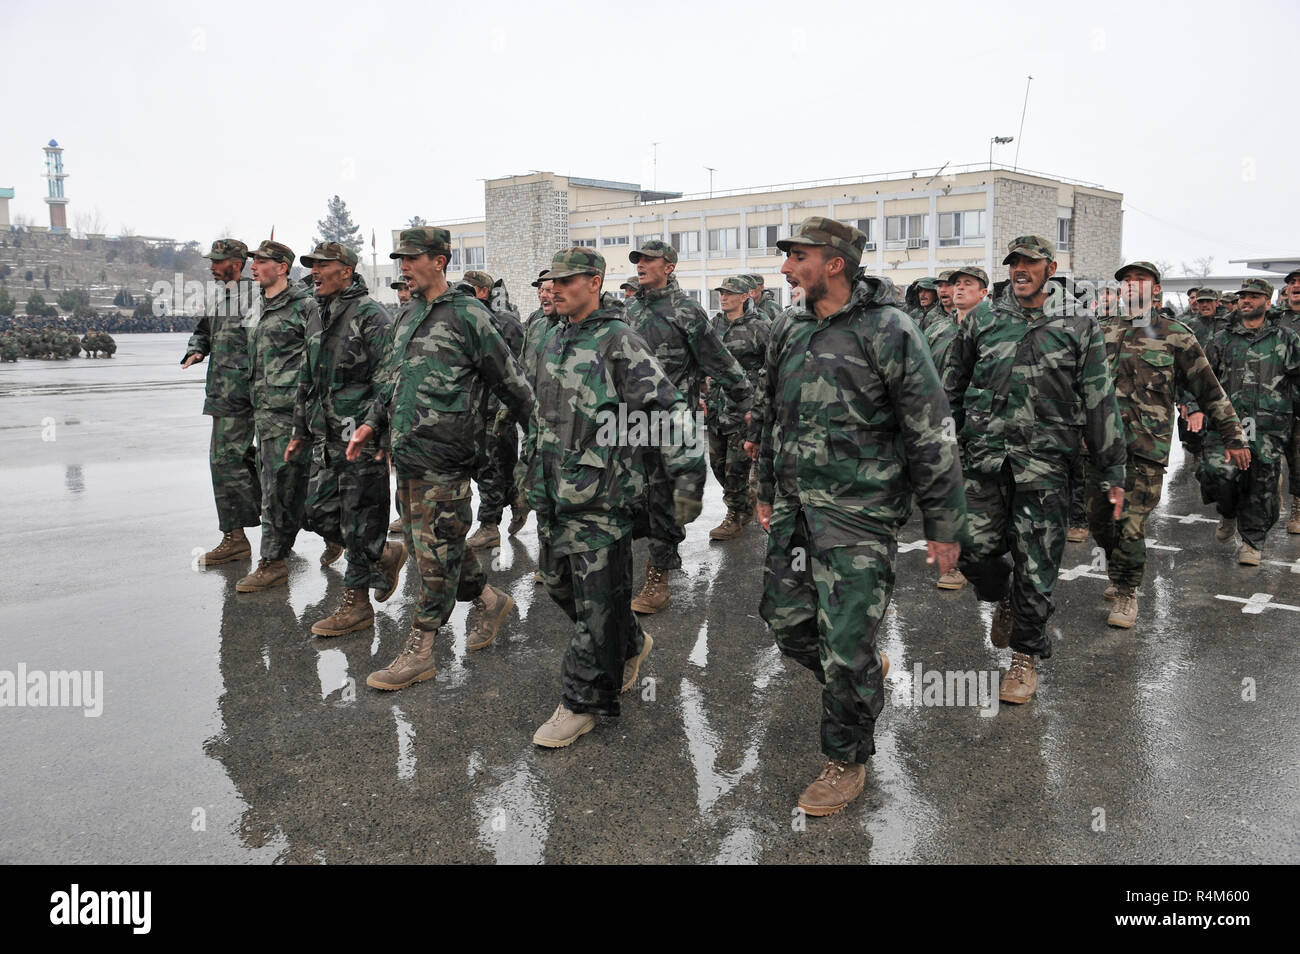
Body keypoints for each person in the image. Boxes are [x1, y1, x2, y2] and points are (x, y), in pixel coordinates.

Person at [750, 217, 965, 816]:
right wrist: (765, 487)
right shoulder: (788, 328)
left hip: (861, 515)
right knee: (787, 622)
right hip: (797, 509)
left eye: (798, 257)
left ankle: (846, 758)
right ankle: (865, 676)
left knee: (843, 646)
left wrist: (945, 526)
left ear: (836, 263)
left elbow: (931, 432)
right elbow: (772, 415)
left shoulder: (890, 329)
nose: (787, 267)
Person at [524, 248, 704, 747]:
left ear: (595, 282)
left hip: (601, 496)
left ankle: (580, 703)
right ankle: (628, 642)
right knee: (560, 586)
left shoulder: (618, 340)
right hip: (552, 491)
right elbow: (537, 414)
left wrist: (687, 482)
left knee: (595, 603)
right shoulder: (552, 337)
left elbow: (669, 411)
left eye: (566, 281)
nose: (554, 289)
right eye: (551, 281)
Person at [346, 228, 533, 690]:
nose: (403, 266)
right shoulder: (407, 314)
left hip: (448, 457)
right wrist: (371, 424)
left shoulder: (469, 314)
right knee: (439, 544)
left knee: (431, 554)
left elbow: (512, 383)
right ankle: (490, 600)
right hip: (408, 455)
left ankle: (422, 648)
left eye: (412, 258)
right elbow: (388, 382)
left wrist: (539, 447)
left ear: (440, 260)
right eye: (400, 259)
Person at [944, 236, 1126, 703]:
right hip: (983, 459)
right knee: (974, 553)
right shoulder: (983, 317)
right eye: (1014, 263)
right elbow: (952, 387)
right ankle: (1001, 595)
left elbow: (1100, 398)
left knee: (1038, 564)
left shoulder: (1078, 323)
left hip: (1045, 464)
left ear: (1052, 267)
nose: (1021, 269)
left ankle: (1024, 657)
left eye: (1030, 262)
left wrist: (1113, 470)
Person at [1092, 262, 1247, 627]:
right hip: (1098, 448)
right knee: (1101, 522)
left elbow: (1210, 389)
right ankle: (1120, 569)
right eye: (1126, 282)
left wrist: (1234, 435)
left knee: (1131, 524)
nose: (1131, 287)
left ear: (1156, 290)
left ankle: (1127, 591)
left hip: (1146, 447)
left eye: (1140, 281)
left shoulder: (1176, 335)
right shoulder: (1099, 332)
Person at [623, 240, 749, 613]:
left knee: (663, 496)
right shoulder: (628, 311)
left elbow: (720, 362)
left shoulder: (687, 311)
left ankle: (659, 573)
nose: (642, 265)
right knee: (630, 493)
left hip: (674, 419)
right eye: (638, 261)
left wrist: (747, 404)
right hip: (627, 419)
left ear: (670, 266)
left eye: (650, 260)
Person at [287, 241, 406, 636]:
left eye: (323, 265)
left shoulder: (370, 315)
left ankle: (356, 605)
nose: (314, 272)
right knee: (315, 511)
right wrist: (300, 430)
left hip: (362, 437)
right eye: (312, 266)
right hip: (326, 436)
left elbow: (390, 379)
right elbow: (308, 375)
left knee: (360, 517)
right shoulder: (315, 312)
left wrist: (375, 429)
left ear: (347, 270)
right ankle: (385, 552)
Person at [237, 240, 322, 592]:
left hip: (293, 413)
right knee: (278, 488)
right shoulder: (256, 306)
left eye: (261, 261)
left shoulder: (306, 307)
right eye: (253, 261)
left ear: (282, 267)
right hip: (265, 413)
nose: (253, 266)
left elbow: (318, 361)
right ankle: (277, 558)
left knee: (287, 489)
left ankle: (273, 561)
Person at [1198, 278, 1300, 564]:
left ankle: (1252, 543)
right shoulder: (1222, 339)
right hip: (1226, 427)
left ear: (1267, 303)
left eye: (1254, 297)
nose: (1246, 300)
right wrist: (1194, 407)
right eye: (1244, 296)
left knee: (1261, 484)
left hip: (1269, 426)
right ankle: (1228, 511)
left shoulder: (1285, 338)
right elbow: (1202, 379)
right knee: (1218, 474)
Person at [181, 239, 260, 566]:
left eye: (218, 261)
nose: (211, 267)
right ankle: (237, 535)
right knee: (229, 462)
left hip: (249, 394)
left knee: (236, 462)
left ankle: (246, 535)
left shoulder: (257, 295)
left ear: (237, 262)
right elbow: (205, 330)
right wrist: (197, 349)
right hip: (223, 395)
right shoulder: (219, 295)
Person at [926, 265, 991, 590]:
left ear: (984, 293)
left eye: (969, 284)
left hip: (984, 432)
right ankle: (954, 565)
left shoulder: (997, 330)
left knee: (981, 501)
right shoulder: (936, 329)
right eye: (956, 284)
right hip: (944, 427)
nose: (959, 289)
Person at [460, 271, 528, 549]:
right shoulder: (470, 318)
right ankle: (516, 500)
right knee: (489, 468)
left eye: (469, 290)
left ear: (483, 292)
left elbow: (514, 367)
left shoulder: (505, 321)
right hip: (474, 408)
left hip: (496, 410)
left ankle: (489, 526)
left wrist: (505, 408)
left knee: (491, 469)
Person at [705, 277, 769, 540]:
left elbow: (771, 366)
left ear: (745, 296)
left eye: (730, 293)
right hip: (715, 406)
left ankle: (735, 515)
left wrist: (760, 404)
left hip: (743, 408)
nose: (723, 297)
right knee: (718, 466)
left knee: (736, 468)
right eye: (721, 293)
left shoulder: (760, 327)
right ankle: (744, 503)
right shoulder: (714, 325)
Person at [1269, 267, 1300, 533]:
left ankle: (1298, 510)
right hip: (1274, 398)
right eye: (1292, 282)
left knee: (1298, 459)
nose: (1297, 285)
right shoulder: (1274, 319)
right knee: (1268, 455)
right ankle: (1271, 496)